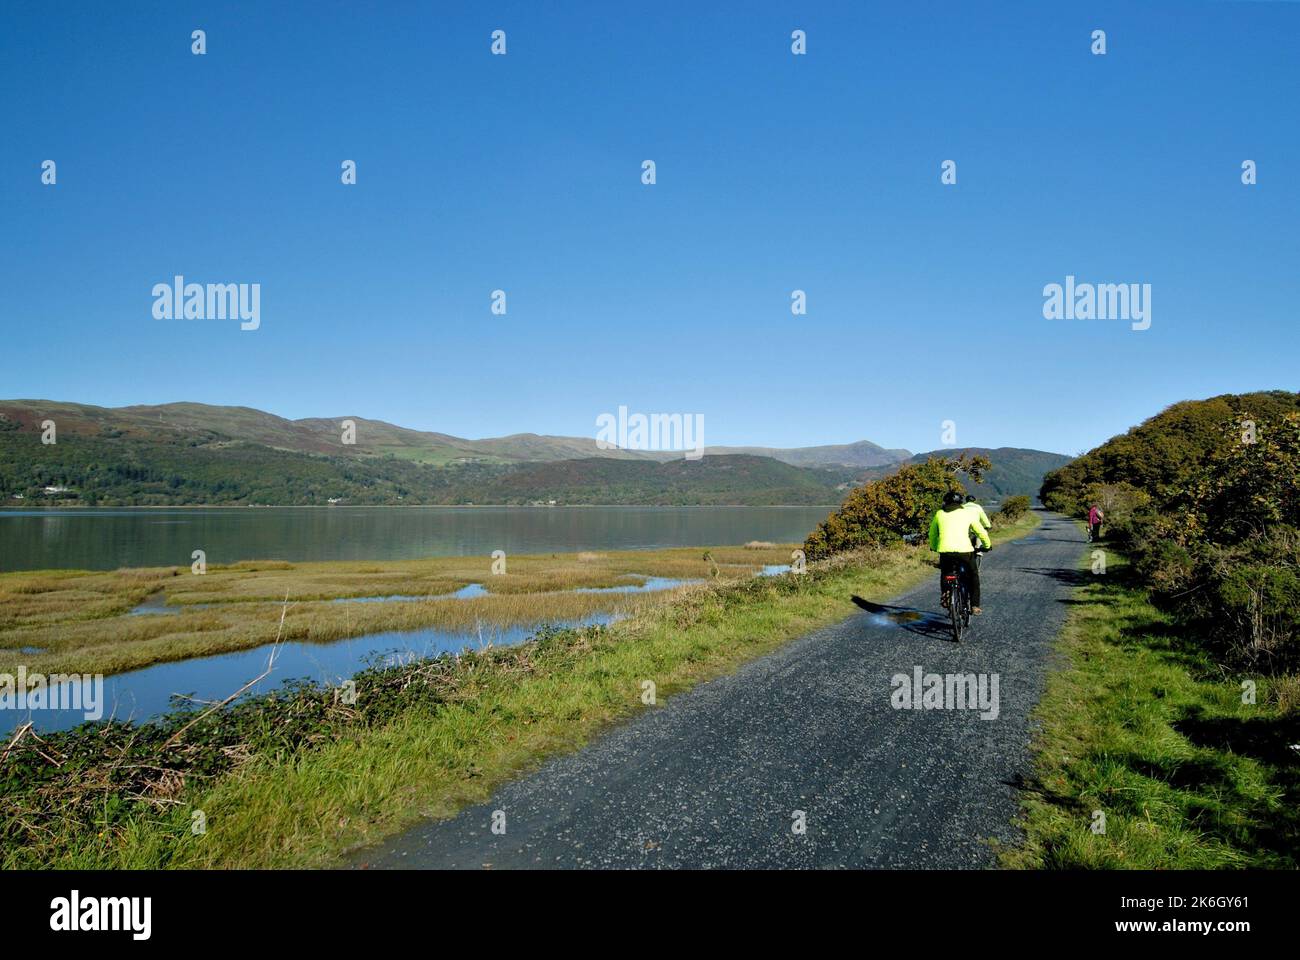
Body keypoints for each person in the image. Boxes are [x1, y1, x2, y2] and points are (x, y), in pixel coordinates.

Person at [929, 491, 992, 614]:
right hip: (965, 552)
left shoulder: (939, 514)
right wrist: (987, 545)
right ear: (960, 502)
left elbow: (932, 534)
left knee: (945, 573)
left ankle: (946, 594)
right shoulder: (967, 514)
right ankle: (974, 605)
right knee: (973, 575)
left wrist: (935, 547)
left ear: (945, 502)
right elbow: (981, 532)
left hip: (945, 552)